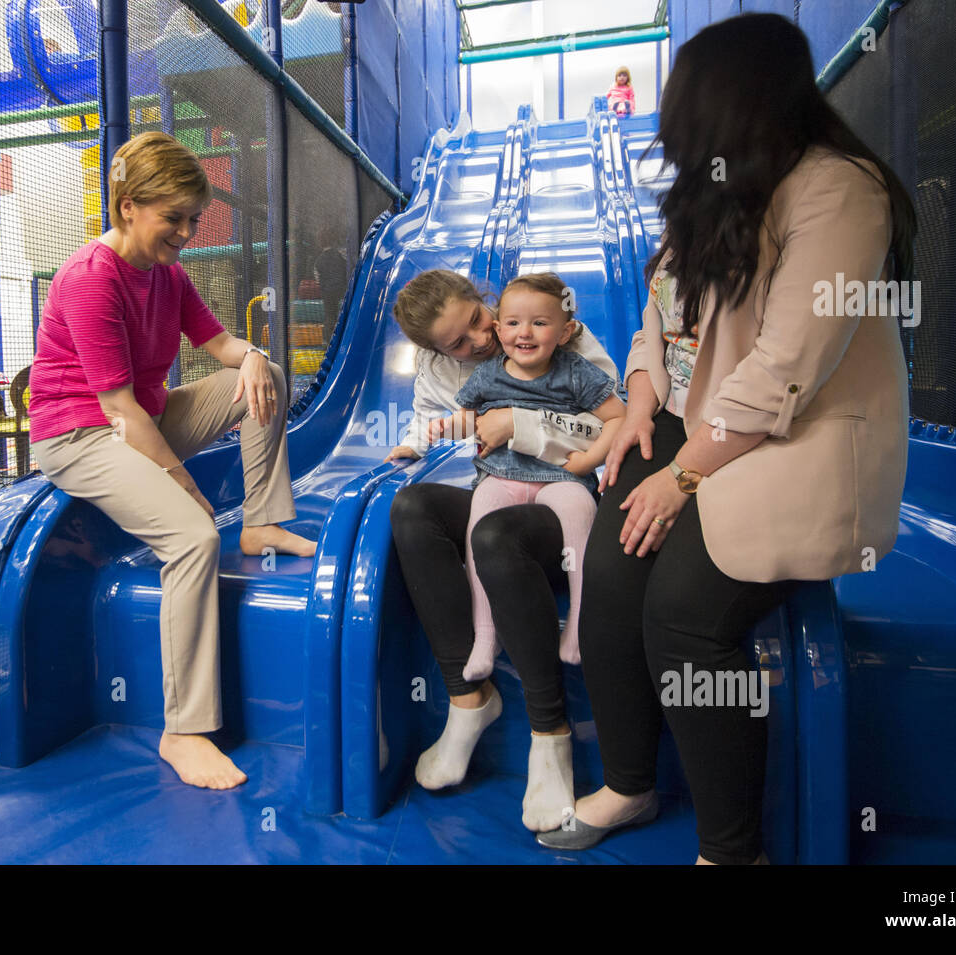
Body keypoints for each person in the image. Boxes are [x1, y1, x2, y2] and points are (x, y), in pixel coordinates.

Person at [538, 13, 917, 864]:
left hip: (797, 442)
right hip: (696, 421)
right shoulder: (719, 193)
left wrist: (681, 477)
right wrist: (640, 406)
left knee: (684, 614)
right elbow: (658, 325)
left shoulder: (837, 190)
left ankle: (731, 848)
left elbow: (788, 366)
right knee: (608, 572)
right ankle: (631, 784)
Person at [29, 131, 316, 791]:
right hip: (80, 432)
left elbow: (219, 344)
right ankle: (183, 728)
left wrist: (248, 357)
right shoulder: (90, 277)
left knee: (262, 371)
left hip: (143, 417)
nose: (187, 231)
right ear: (128, 206)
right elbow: (120, 409)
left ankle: (263, 519)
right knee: (190, 538)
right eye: (174, 218)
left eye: (194, 219)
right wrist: (184, 483)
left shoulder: (168, 274)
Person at [387, 269, 621, 831]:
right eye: (458, 344)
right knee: (412, 509)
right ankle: (468, 699)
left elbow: (611, 425)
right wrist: (414, 443)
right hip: (506, 487)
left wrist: (520, 422)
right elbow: (433, 419)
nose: (481, 341)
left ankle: (550, 733)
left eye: (476, 320)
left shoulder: (556, 332)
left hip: (561, 494)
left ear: (481, 297)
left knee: (493, 536)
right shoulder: (443, 368)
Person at [428, 273, 624, 681]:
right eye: (514, 323)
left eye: (540, 323)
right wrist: (444, 428)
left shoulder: (576, 372)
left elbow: (618, 418)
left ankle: (580, 625)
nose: (525, 333)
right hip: (502, 473)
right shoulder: (488, 374)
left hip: (560, 477)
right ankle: (485, 634)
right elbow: (468, 418)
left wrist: (589, 463)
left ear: (565, 331)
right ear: (500, 330)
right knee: (478, 522)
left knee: (580, 514)